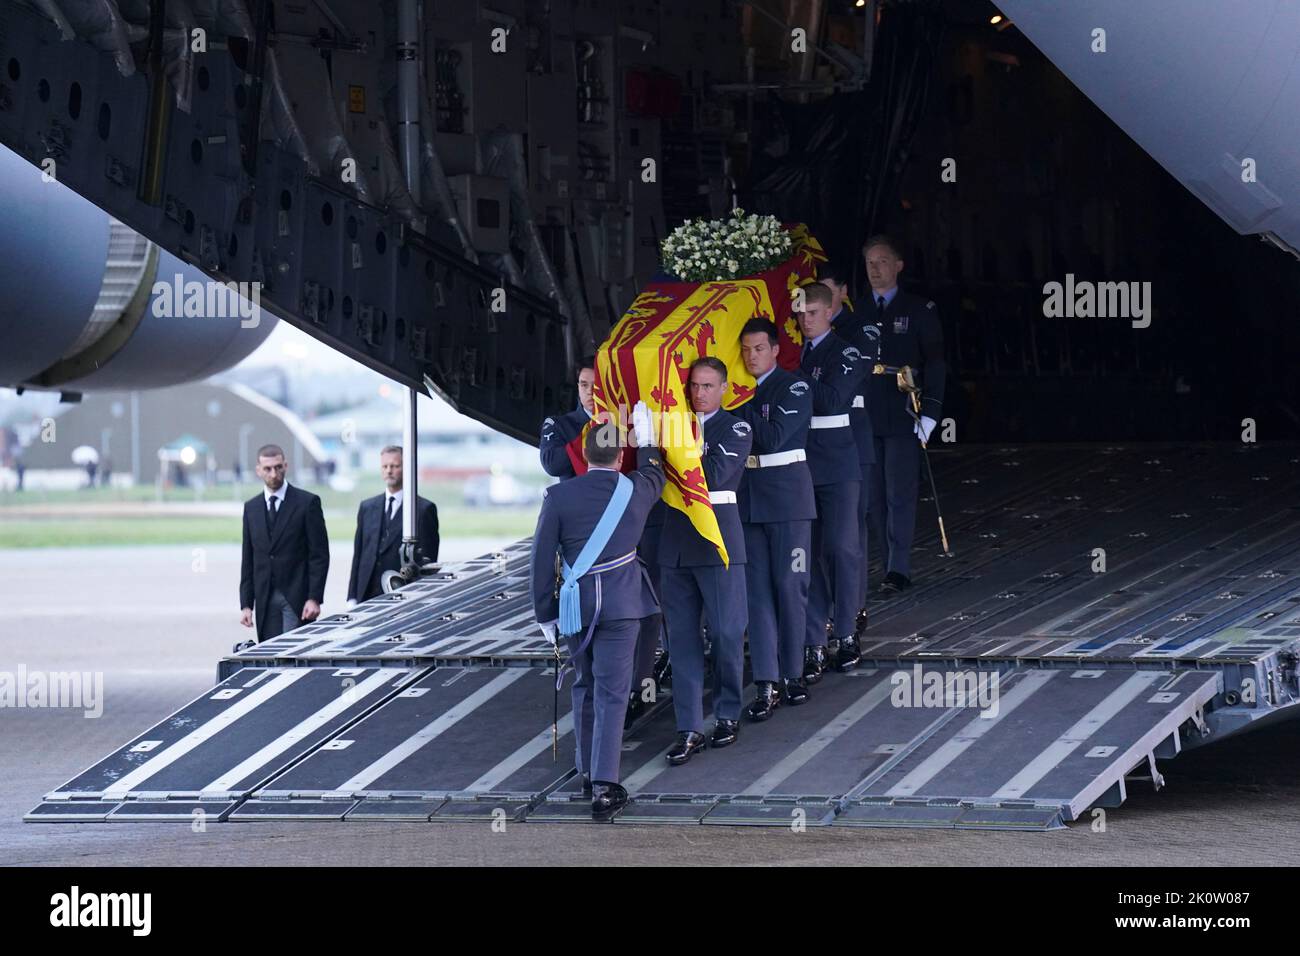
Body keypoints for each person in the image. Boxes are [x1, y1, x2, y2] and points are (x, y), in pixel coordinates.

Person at [530, 406, 664, 820]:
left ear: (584, 456)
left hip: (575, 606)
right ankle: (605, 786)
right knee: (612, 692)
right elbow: (657, 472)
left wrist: (544, 615)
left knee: (584, 683)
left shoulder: (558, 496)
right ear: (620, 457)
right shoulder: (637, 487)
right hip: (623, 604)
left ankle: (587, 769)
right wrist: (646, 439)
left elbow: (540, 560)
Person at [538, 357, 665, 721]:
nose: (591, 392)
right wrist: (600, 431)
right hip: (584, 544)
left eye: (597, 385)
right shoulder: (564, 425)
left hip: (628, 527)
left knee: (648, 608)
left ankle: (639, 683)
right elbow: (553, 463)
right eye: (583, 385)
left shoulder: (619, 421)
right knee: (592, 661)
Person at [657, 358, 752, 765]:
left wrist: (678, 445)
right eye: (694, 386)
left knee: (728, 633)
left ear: (725, 389)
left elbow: (713, 474)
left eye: (709, 386)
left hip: (717, 545)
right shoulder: (673, 427)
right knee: (681, 642)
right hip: (678, 545)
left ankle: (728, 712)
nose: (700, 393)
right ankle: (689, 726)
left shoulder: (736, 428)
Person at [733, 317, 816, 720]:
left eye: (759, 348)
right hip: (750, 500)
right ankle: (767, 681)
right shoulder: (741, 392)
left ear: (776, 349)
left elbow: (774, 436)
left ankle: (794, 673)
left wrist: (741, 404)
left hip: (787, 501)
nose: (752, 356)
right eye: (746, 349)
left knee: (790, 584)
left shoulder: (795, 386)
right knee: (757, 594)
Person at [861, 235, 946, 592]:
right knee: (873, 496)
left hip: (901, 410)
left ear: (898, 266)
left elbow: (937, 362)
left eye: (882, 262)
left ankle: (899, 566)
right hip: (867, 412)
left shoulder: (918, 309)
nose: (875, 269)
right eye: (870, 263)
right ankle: (884, 561)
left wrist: (931, 413)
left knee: (900, 492)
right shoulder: (858, 310)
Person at [797, 282, 866, 681]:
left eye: (812, 313)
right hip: (803, 462)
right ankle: (815, 637)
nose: (805, 320)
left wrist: (792, 376)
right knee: (808, 554)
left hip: (837, 463)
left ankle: (846, 631)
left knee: (842, 549)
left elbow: (831, 400)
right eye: (800, 314)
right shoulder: (796, 352)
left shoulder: (846, 351)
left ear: (828, 311)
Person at [822, 260, 876, 640]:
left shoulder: (859, 330)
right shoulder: (805, 336)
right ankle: (826, 610)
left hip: (851, 435)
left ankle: (853, 607)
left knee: (851, 531)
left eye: (827, 292)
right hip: (820, 443)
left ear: (842, 291)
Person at [239, 444, 330, 643]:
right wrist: (246, 604)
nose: (274, 473)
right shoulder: (251, 508)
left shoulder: (307, 503)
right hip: (265, 598)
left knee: (293, 656)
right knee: (270, 658)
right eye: (268, 469)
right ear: (258, 470)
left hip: (297, 597)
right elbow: (248, 559)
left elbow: (319, 555)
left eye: (278, 467)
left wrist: (314, 597)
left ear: (286, 466)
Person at [346, 445, 440, 605]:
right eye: (385, 466)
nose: (389, 470)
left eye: (395, 466)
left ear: (407, 468)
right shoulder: (367, 507)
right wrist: (352, 596)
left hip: (403, 596)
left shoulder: (423, 509)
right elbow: (359, 555)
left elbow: (428, 561)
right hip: (366, 596)